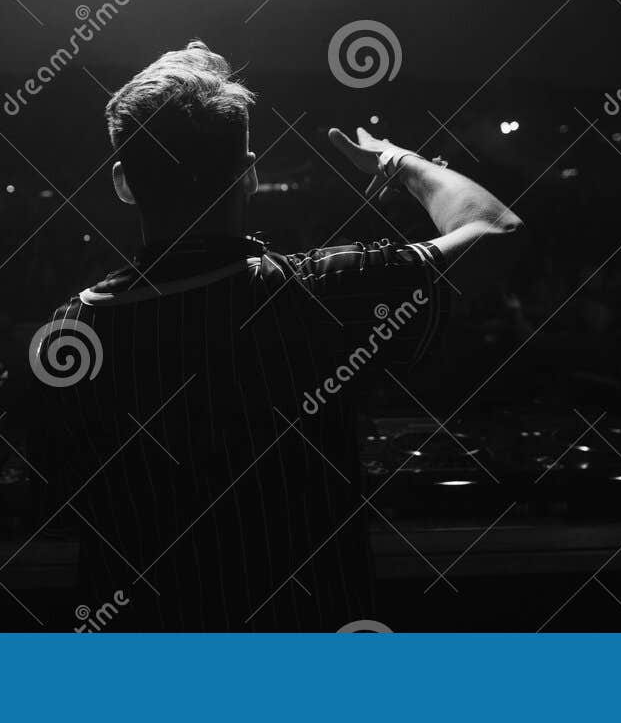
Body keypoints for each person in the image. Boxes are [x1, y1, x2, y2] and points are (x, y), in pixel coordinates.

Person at [39, 40, 522, 630]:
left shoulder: (70, 334)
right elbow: (495, 229)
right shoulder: (320, 294)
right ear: (249, 176)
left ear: (123, 183)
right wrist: (399, 162)